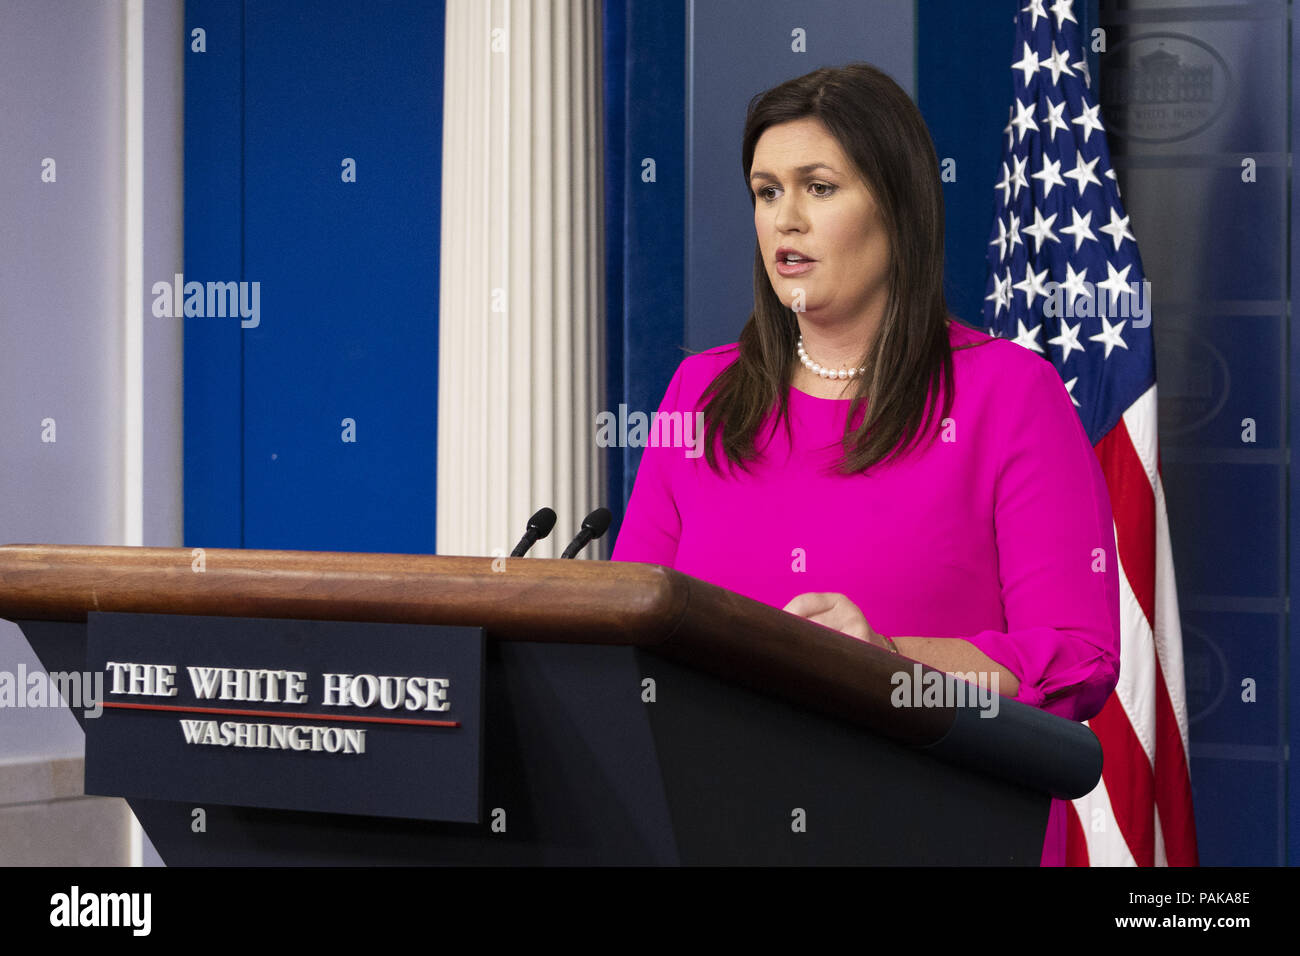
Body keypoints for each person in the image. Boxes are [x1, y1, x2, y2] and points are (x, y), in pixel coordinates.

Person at [608, 62, 1121, 866]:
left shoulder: (1010, 394)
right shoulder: (698, 393)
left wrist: (889, 663)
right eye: (767, 191)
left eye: (819, 187)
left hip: (940, 828)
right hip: (715, 823)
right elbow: (631, 616)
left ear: (898, 204)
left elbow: (1077, 658)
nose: (787, 221)